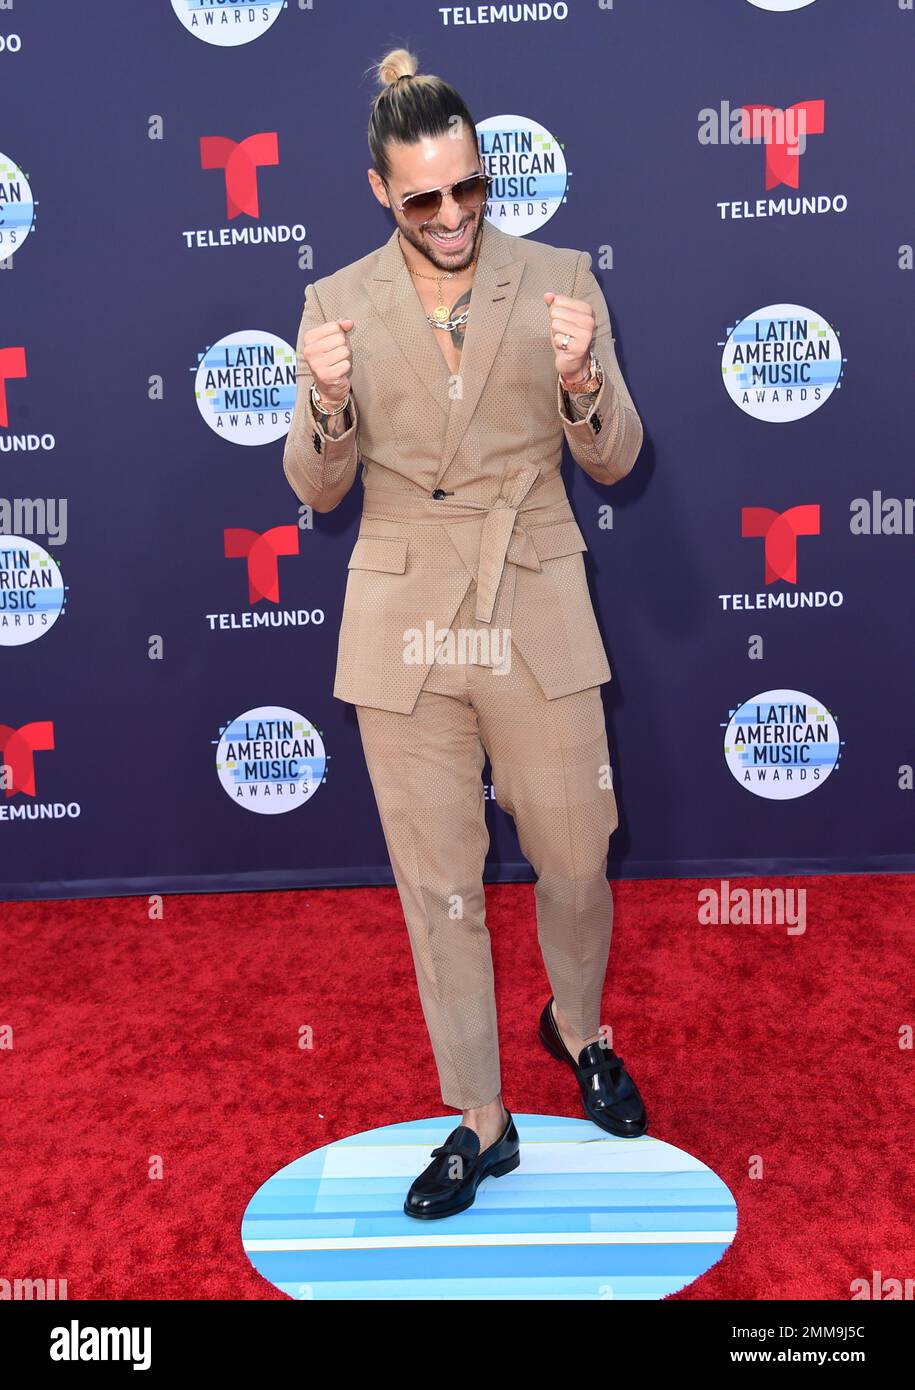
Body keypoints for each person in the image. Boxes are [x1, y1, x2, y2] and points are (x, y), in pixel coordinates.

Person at [282, 46, 648, 1220]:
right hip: (401, 616)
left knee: (578, 848)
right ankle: (481, 1120)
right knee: (439, 883)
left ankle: (578, 1025)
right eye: (426, 197)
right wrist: (326, 404)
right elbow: (317, 487)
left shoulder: (561, 278)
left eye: (471, 189)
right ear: (380, 190)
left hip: (532, 590)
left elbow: (618, 455)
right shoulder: (334, 304)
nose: (454, 217)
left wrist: (587, 381)